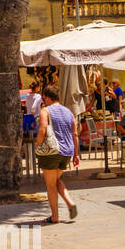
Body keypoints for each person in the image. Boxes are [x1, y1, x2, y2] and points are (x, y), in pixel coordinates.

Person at [35, 87, 79, 224]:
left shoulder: (45, 110)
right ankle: (70, 203)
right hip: (67, 151)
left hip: (51, 151)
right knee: (56, 180)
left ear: (47, 97)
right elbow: (75, 134)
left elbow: (42, 129)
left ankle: (55, 216)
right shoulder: (68, 112)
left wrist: (37, 145)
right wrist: (76, 154)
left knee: (50, 185)